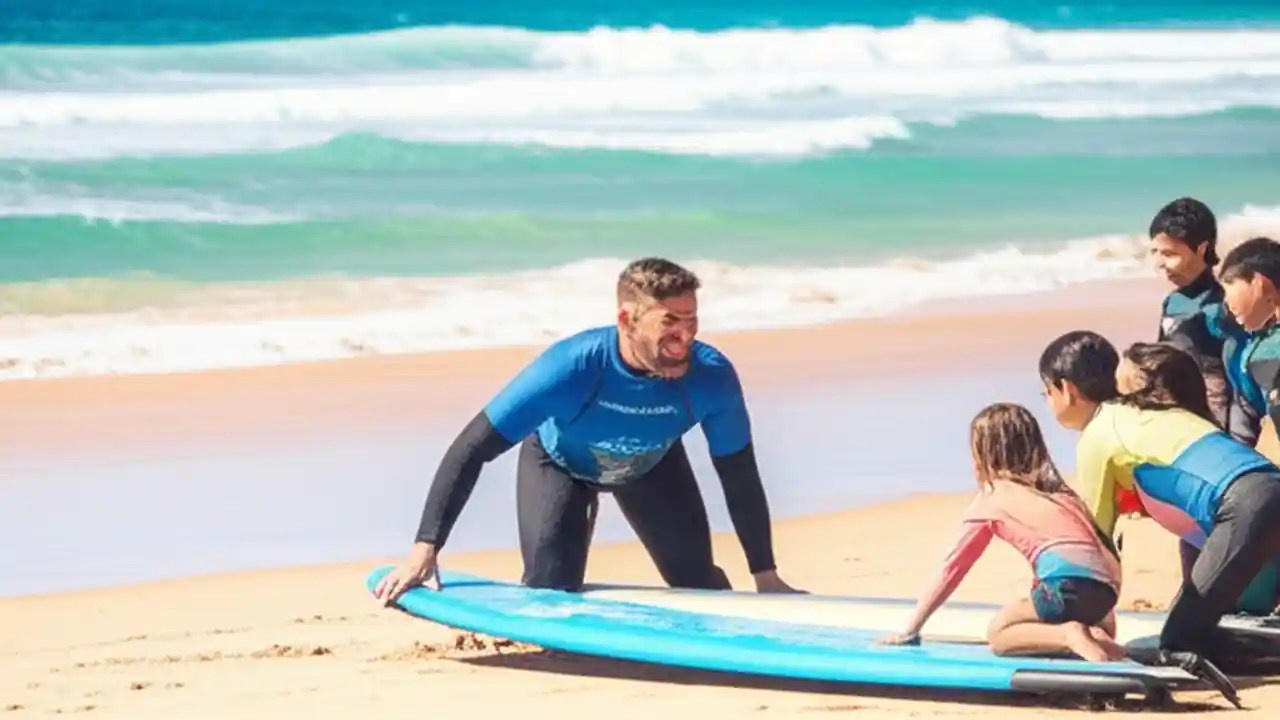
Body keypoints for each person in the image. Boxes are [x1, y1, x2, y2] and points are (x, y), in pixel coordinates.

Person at [373, 257, 799, 605]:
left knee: (699, 588)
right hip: (560, 465)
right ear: (627, 319)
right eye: (670, 321)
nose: (684, 336)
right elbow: (471, 448)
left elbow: (738, 474)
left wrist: (766, 574)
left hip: (651, 466)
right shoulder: (571, 367)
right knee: (550, 591)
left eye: (691, 320)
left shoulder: (711, 376)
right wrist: (424, 549)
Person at [1039, 331, 1280, 676]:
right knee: (1213, 619)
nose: (1047, 402)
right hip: (1266, 491)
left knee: (1178, 643)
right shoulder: (1155, 410)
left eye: (1046, 392)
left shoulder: (1098, 433)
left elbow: (1093, 546)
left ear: (1067, 390)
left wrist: (1081, 624)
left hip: (1246, 508)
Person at [878, 403, 1126, 662]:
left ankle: (1068, 635)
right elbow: (1101, 549)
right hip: (1106, 593)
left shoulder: (992, 498)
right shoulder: (1061, 494)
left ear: (984, 455)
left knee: (1000, 633)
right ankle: (1101, 641)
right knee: (1066, 609)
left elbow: (952, 569)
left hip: (1066, 589)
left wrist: (910, 629)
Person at [1148, 197, 1254, 444]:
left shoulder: (1221, 308)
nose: (1160, 263)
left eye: (1169, 253)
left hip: (1213, 427)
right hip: (1174, 420)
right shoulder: (1171, 303)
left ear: (1201, 249)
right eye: (1155, 252)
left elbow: (1239, 382)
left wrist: (1238, 441)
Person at [1219, 236, 1280, 448]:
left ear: (1260, 284)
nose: (1226, 302)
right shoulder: (1241, 344)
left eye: (1228, 287)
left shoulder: (1271, 351)